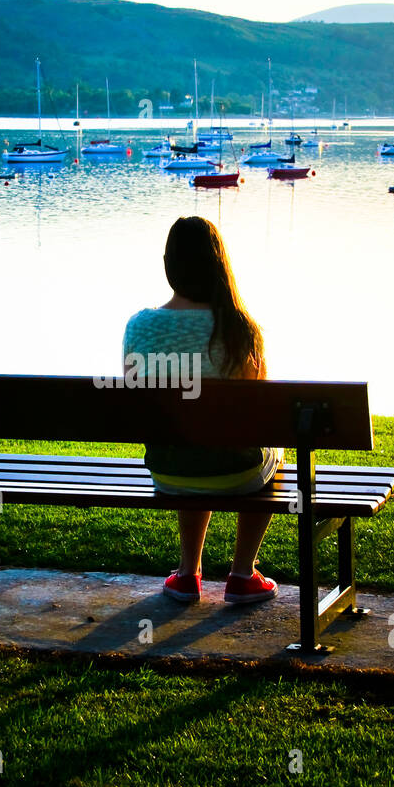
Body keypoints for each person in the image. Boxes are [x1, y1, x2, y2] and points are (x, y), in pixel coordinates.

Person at [122, 216, 282, 605]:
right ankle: (243, 575)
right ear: (218, 264)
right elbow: (260, 412)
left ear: (168, 265)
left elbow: (132, 395)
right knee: (275, 449)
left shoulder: (140, 327)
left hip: (168, 470)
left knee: (186, 438)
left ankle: (187, 573)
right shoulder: (242, 329)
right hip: (238, 473)